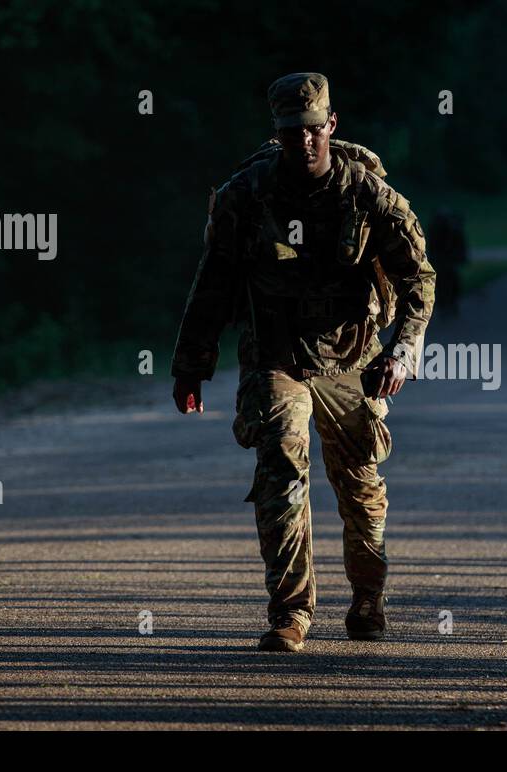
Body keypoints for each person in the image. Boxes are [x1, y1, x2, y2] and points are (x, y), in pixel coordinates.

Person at [170, 72, 436, 652]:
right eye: (293, 133)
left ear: (331, 126)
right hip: (276, 354)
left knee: (359, 480)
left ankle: (368, 595)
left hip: (352, 354)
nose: (305, 142)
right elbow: (212, 283)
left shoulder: (369, 196)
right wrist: (191, 363)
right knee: (282, 472)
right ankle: (290, 613)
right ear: (278, 133)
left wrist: (404, 348)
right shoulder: (247, 195)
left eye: (314, 130)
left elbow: (419, 280)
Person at [427, 209, 467, 318]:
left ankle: (446, 304)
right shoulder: (452, 228)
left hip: (444, 259)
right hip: (444, 259)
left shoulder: (440, 228)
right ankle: (447, 304)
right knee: (445, 281)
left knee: (445, 281)